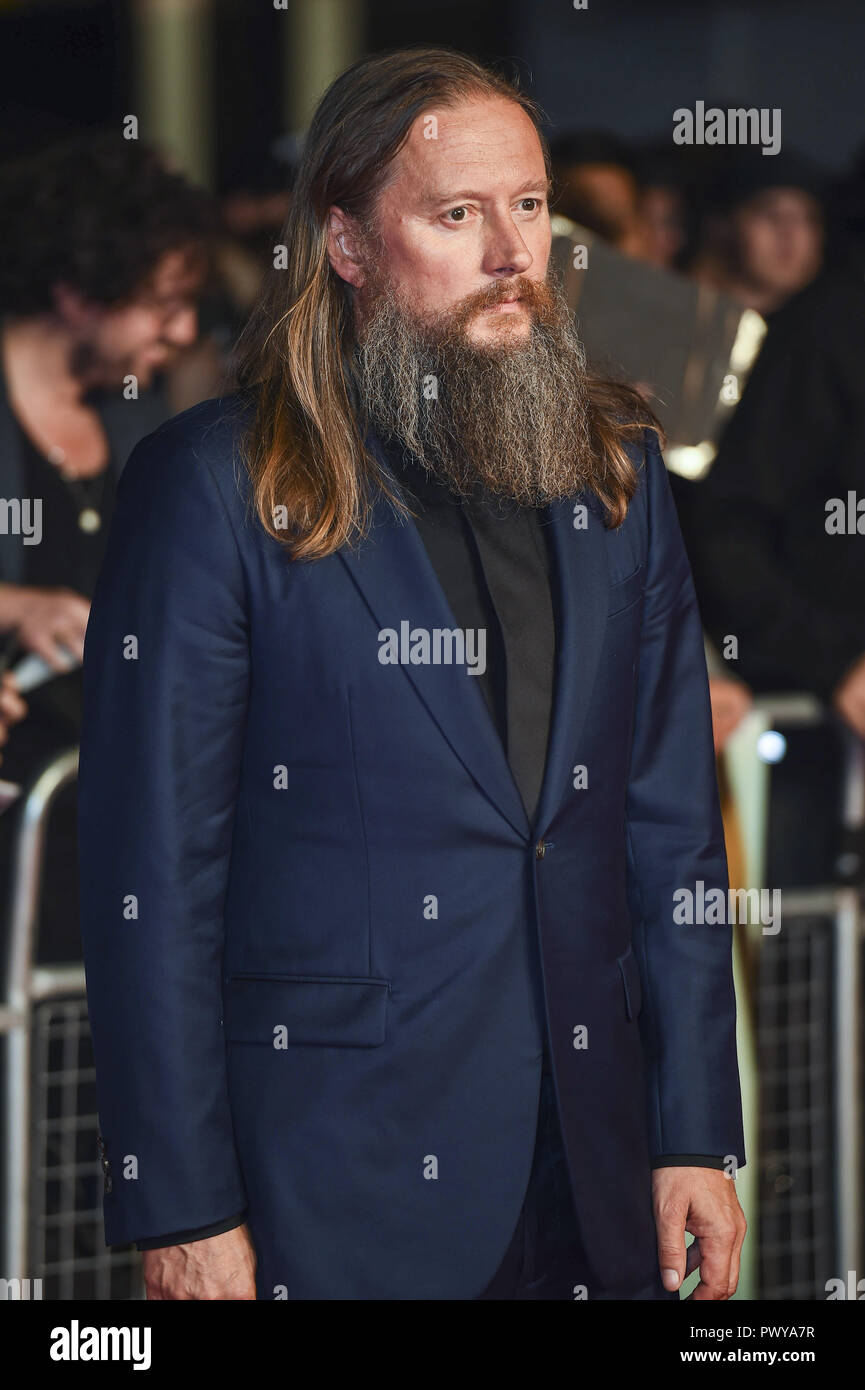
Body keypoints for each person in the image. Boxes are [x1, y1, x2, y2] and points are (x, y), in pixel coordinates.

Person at [78, 48, 746, 1302]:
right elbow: (151, 873)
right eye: (457, 214)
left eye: (532, 206)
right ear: (345, 243)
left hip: (593, 1170)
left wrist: (692, 1128)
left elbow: (670, 834)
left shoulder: (618, 478)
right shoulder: (217, 488)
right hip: (331, 1176)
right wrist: (180, 1201)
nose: (513, 252)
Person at [0, 132, 212, 963]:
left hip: (120, 823)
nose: (184, 329)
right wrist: (18, 605)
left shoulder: (137, 419)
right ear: (81, 293)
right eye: (161, 305)